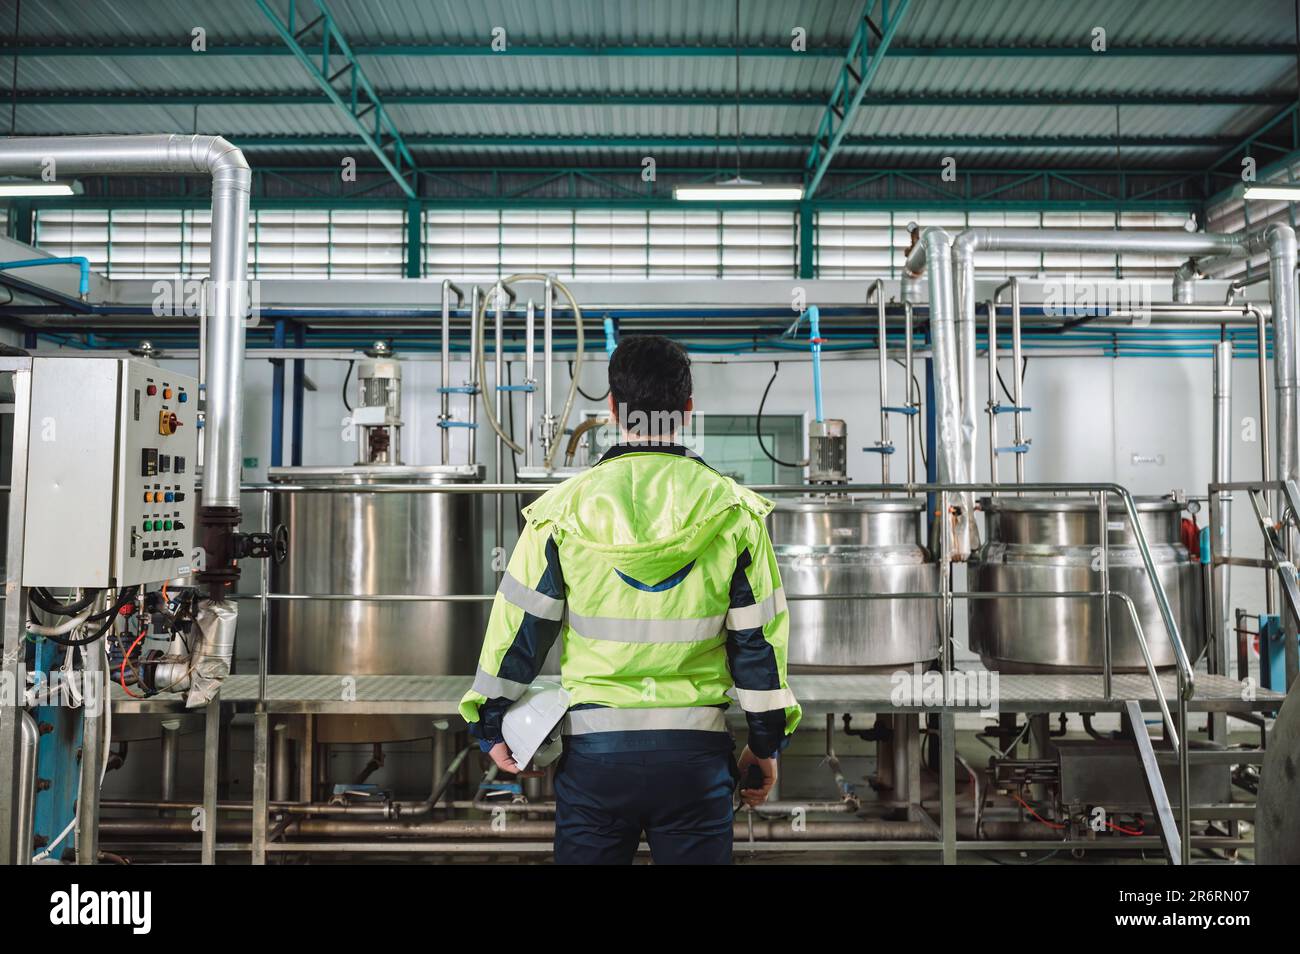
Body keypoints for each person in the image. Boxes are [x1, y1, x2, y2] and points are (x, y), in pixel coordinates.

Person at [459, 335, 800, 864]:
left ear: (614, 409)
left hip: (596, 758)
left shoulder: (561, 512)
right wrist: (764, 744)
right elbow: (759, 645)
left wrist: (491, 723)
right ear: (687, 411)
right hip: (696, 757)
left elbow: (519, 630)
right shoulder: (734, 512)